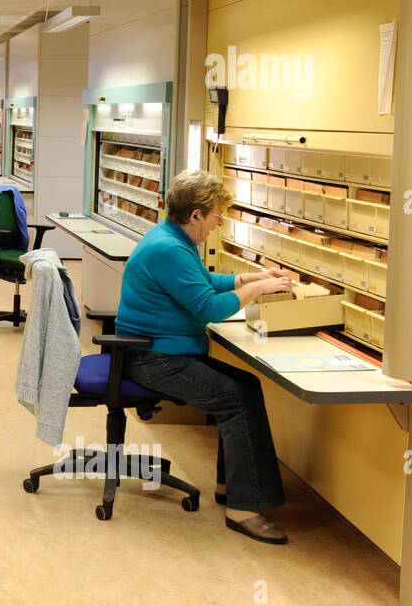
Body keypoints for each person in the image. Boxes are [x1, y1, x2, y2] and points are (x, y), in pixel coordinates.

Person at [117, 170, 292, 544]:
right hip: (154, 358)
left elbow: (201, 282)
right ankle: (243, 509)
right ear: (196, 215)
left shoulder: (172, 239)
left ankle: (231, 487)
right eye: (216, 214)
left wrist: (248, 279)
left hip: (159, 351)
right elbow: (210, 307)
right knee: (239, 400)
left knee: (246, 384)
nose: (221, 221)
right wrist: (260, 289)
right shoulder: (169, 248)